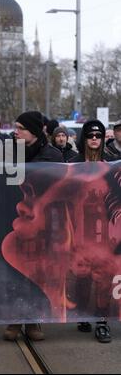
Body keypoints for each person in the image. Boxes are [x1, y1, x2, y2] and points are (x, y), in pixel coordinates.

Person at [3, 111, 64, 342]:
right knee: (15, 269)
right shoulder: (10, 153)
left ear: (34, 132)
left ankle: (33, 319)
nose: (15, 131)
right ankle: (15, 318)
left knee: (38, 270)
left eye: (21, 128)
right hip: (14, 218)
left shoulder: (53, 155)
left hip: (44, 222)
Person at [68, 119, 113, 343]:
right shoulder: (71, 165)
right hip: (78, 230)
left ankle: (102, 322)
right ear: (84, 138)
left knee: (104, 276)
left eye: (98, 135)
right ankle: (82, 314)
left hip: (106, 231)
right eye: (90, 135)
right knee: (82, 275)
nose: (94, 139)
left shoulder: (112, 165)